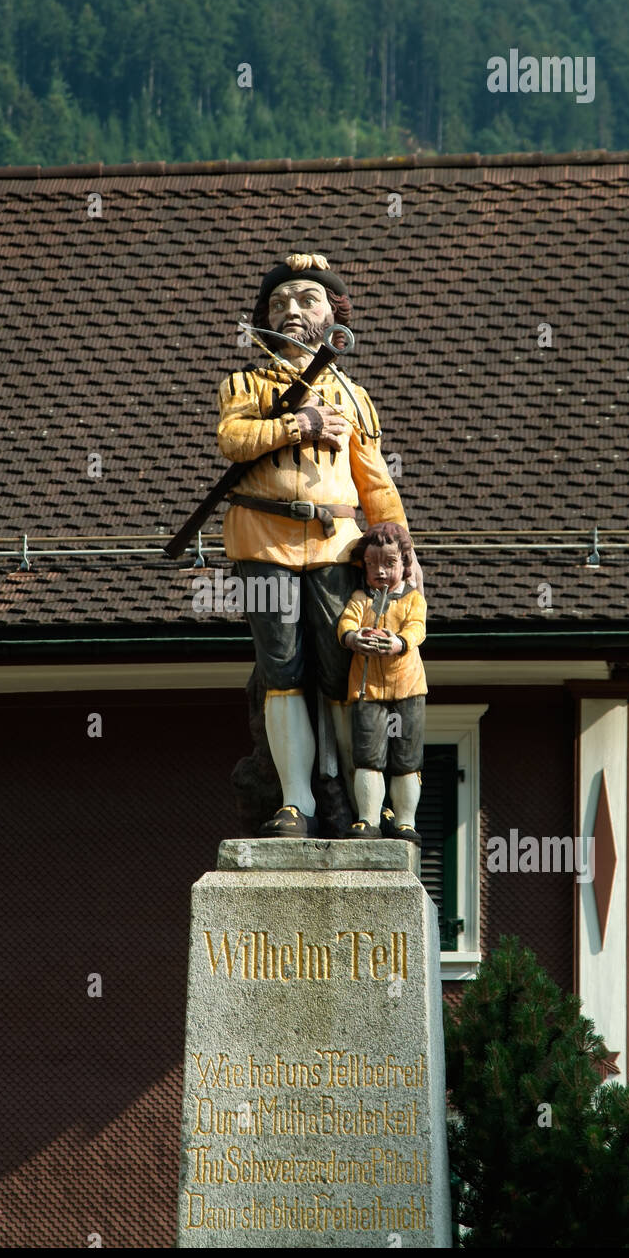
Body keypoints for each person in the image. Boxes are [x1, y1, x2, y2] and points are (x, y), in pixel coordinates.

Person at [217, 253, 420, 836]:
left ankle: (350, 801)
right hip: (263, 543)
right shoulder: (245, 384)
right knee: (281, 669)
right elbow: (232, 440)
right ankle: (295, 800)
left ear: (334, 314)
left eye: (307, 299)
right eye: (280, 302)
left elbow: (374, 479)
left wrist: (401, 547)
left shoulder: (354, 397)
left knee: (341, 670)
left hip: (338, 547)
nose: (292, 310)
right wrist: (296, 425)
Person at [337, 521, 427, 841]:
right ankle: (369, 818)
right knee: (368, 756)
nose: (381, 571)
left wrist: (399, 642)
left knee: (406, 758)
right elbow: (346, 621)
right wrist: (353, 637)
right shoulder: (362, 598)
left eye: (389, 563)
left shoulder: (412, 600)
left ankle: (405, 820)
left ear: (404, 565)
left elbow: (417, 628)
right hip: (368, 688)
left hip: (407, 687)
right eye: (372, 564)